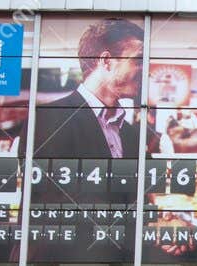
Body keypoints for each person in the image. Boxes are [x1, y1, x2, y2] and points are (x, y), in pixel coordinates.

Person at [31, 17, 144, 161]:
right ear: (107, 61)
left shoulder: (131, 134)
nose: (145, 70)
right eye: (138, 60)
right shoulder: (46, 119)